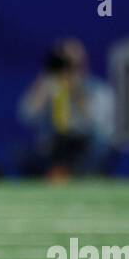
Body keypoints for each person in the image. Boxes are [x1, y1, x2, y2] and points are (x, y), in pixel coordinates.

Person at [20, 39, 114, 180]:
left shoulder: (97, 89)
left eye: (72, 65)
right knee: (25, 153)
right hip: (54, 142)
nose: (67, 70)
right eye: (63, 64)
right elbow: (26, 115)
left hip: (83, 144)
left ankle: (87, 178)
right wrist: (42, 89)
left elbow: (97, 123)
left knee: (101, 142)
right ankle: (55, 175)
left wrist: (78, 92)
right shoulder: (49, 86)